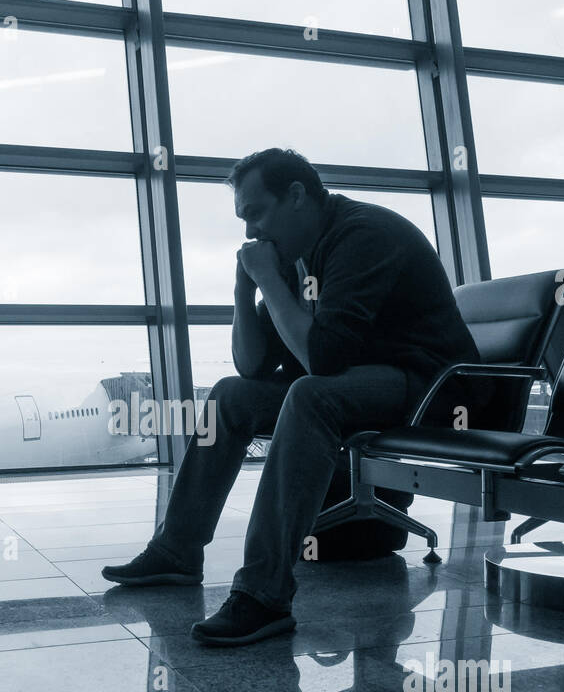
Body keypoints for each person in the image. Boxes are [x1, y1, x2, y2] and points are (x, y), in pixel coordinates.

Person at [103, 148, 480, 647]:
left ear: (297, 196)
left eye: (255, 213)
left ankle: (263, 594)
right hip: (365, 381)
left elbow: (322, 360)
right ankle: (176, 552)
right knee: (229, 396)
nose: (249, 233)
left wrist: (268, 281)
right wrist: (245, 289)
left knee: (309, 394)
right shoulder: (299, 256)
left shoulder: (363, 235)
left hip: (430, 387)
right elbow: (252, 366)